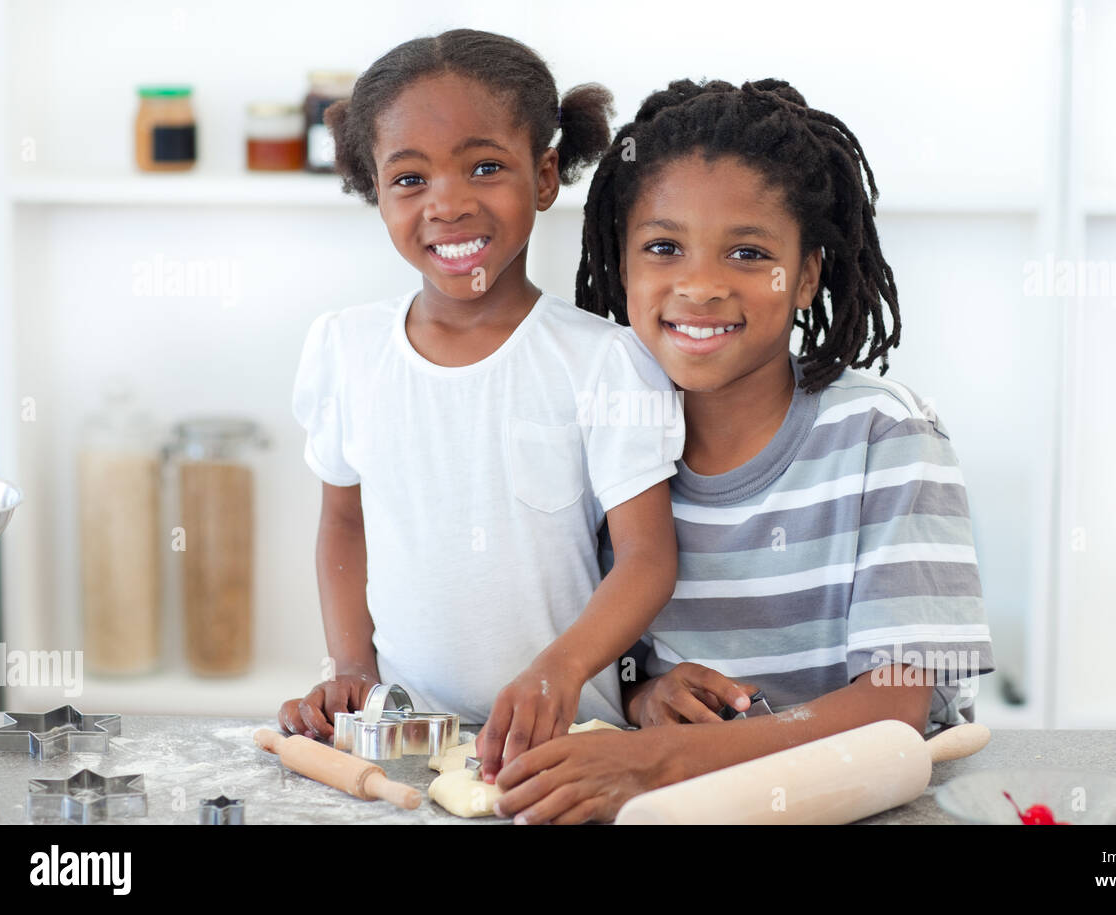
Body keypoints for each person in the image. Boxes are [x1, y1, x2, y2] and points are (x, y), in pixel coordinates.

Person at [493, 78, 996, 823]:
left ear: (808, 274)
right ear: (620, 262)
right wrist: (644, 694)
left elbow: (898, 709)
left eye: (747, 252)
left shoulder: (888, 436)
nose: (700, 285)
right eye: (664, 247)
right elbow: (622, 653)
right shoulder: (604, 434)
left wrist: (663, 758)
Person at [278, 30, 683, 781]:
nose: (449, 204)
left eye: (485, 167)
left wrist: (556, 671)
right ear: (375, 189)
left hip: (566, 745)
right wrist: (351, 669)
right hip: (404, 746)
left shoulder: (604, 361)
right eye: (409, 179)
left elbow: (649, 558)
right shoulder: (347, 349)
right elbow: (342, 521)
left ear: (544, 174)